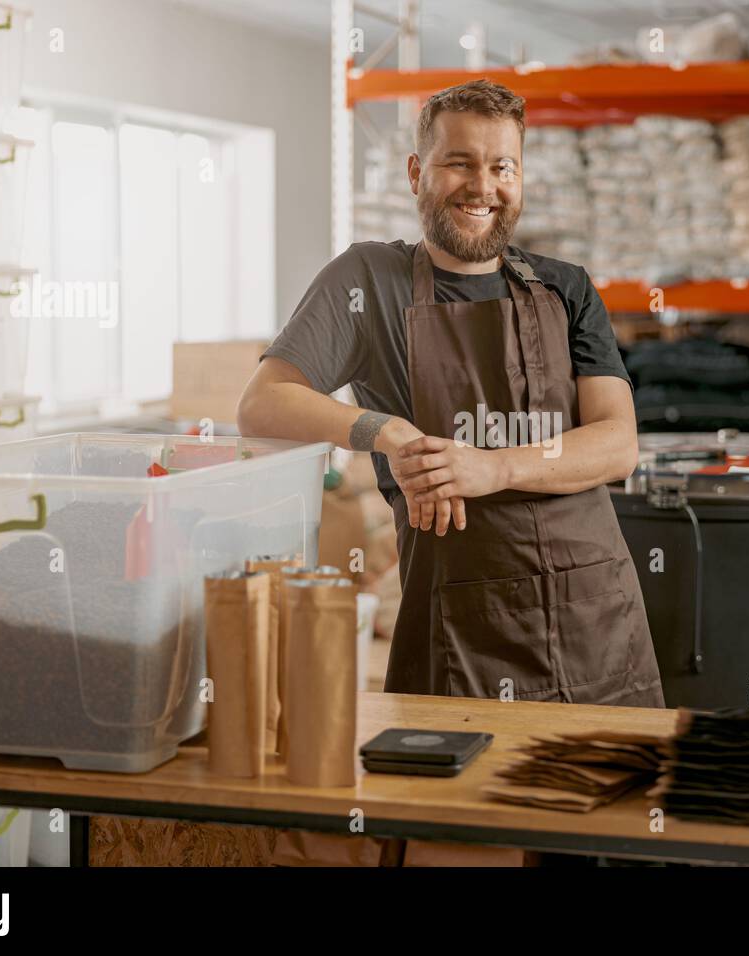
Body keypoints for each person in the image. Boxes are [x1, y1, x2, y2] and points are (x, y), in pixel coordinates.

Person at [238, 79, 663, 707]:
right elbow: (262, 403)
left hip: (593, 616)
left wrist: (490, 467)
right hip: (462, 629)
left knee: (620, 798)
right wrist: (384, 432)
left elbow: (617, 444)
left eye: (501, 167)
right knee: (458, 801)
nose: (482, 186)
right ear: (416, 172)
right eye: (458, 162)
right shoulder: (369, 280)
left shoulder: (565, 288)